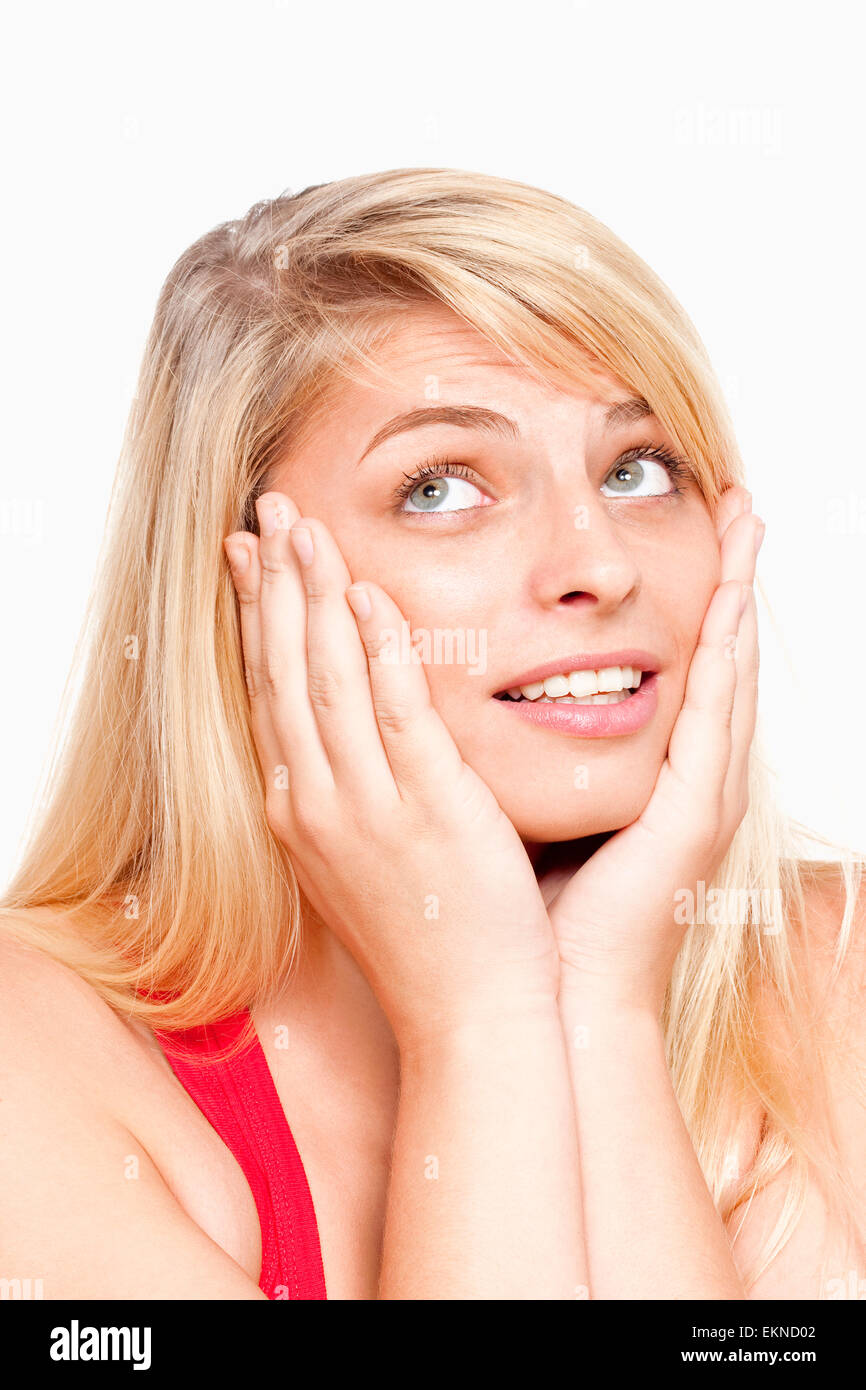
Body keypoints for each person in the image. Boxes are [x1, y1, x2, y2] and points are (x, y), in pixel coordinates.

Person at [1, 168, 863, 1300]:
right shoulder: (39, 1054)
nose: (597, 564)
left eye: (635, 468)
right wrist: (479, 1021)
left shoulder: (832, 972)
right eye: (441, 487)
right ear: (243, 588)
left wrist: (601, 997)